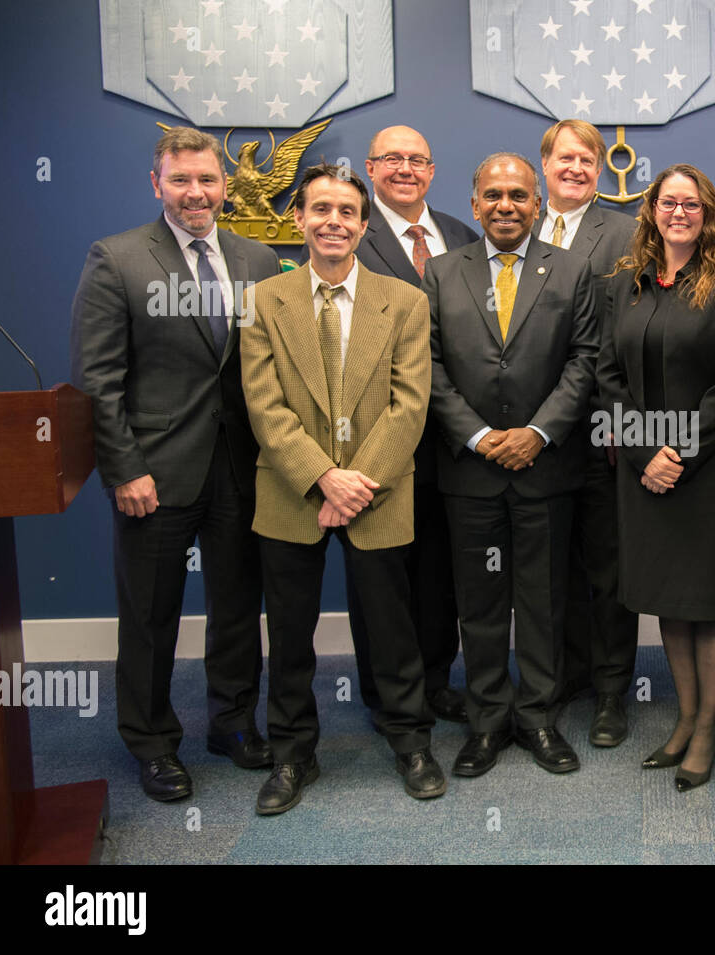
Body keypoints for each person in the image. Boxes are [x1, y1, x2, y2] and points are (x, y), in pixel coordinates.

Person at [70, 126, 278, 801]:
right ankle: (153, 741)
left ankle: (232, 722)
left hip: (242, 467)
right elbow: (97, 378)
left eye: (208, 179)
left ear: (226, 184)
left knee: (238, 605)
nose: (197, 192)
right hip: (153, 472)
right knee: (152, 612)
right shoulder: (119, 258)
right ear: (156, 183)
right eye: (182, 179)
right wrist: (123, 468)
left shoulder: (257, 258)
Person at [240, 164, 442, 814]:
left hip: (378, 490)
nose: (333, 220)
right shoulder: (265, 301)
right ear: (297, 219)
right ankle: (293, 752)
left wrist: (358, 482)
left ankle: (410, 739)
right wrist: (323, 475)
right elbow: (264, 404)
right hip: (292, 489)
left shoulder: (405, 301)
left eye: (347, 211)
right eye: (320, 208)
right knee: (291, 634)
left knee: (391, 628)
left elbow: (410, 404)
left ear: (363, 223)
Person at [424, 153, 598, 778]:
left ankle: (539, 717)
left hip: (545, 469)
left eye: (519, 196)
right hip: (469, 472)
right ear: (475, 205)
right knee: (480, 603)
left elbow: (585, 360)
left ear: (537, 204)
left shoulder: (573, 271)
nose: (506, 205)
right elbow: (429, 366)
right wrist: (474, 435)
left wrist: (538, 432)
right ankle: (488, 720)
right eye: (493, 195)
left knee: (546, 600)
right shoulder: (440, 272)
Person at [598, 163, 715, 791]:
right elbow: (606, 378)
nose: (679, 213)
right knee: (668, 596)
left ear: (708, 212)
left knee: (710, 600)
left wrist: (680, 454)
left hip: (706, 472)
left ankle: (710, 726)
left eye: (692, 204)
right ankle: (686, 717)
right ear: (652, 211)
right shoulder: (625, 285)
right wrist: (647, 456)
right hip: (645, 475)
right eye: (669, 203)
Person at [341, 125, 478, 726]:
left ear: (431, 169)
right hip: (379, 437)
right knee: (380, 575)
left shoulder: (462, 234)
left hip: (451, 439)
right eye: (391, 158)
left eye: (416, 159)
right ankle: (383, 693)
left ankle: (435, 679)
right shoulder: (348, 234)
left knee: (439, 573)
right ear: (370, 168)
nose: (404, 168)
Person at [533, 119, 639, 747]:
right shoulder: (517, 228)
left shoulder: (625, 233)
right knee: (551, 570)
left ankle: (610, 692)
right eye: (564, 158)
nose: (575, 168)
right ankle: (565, 676)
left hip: (601, 433)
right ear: (543, 164)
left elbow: (627, 332)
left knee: (607, 570)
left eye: (587, 160)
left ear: (599, 170)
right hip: (534, 439)